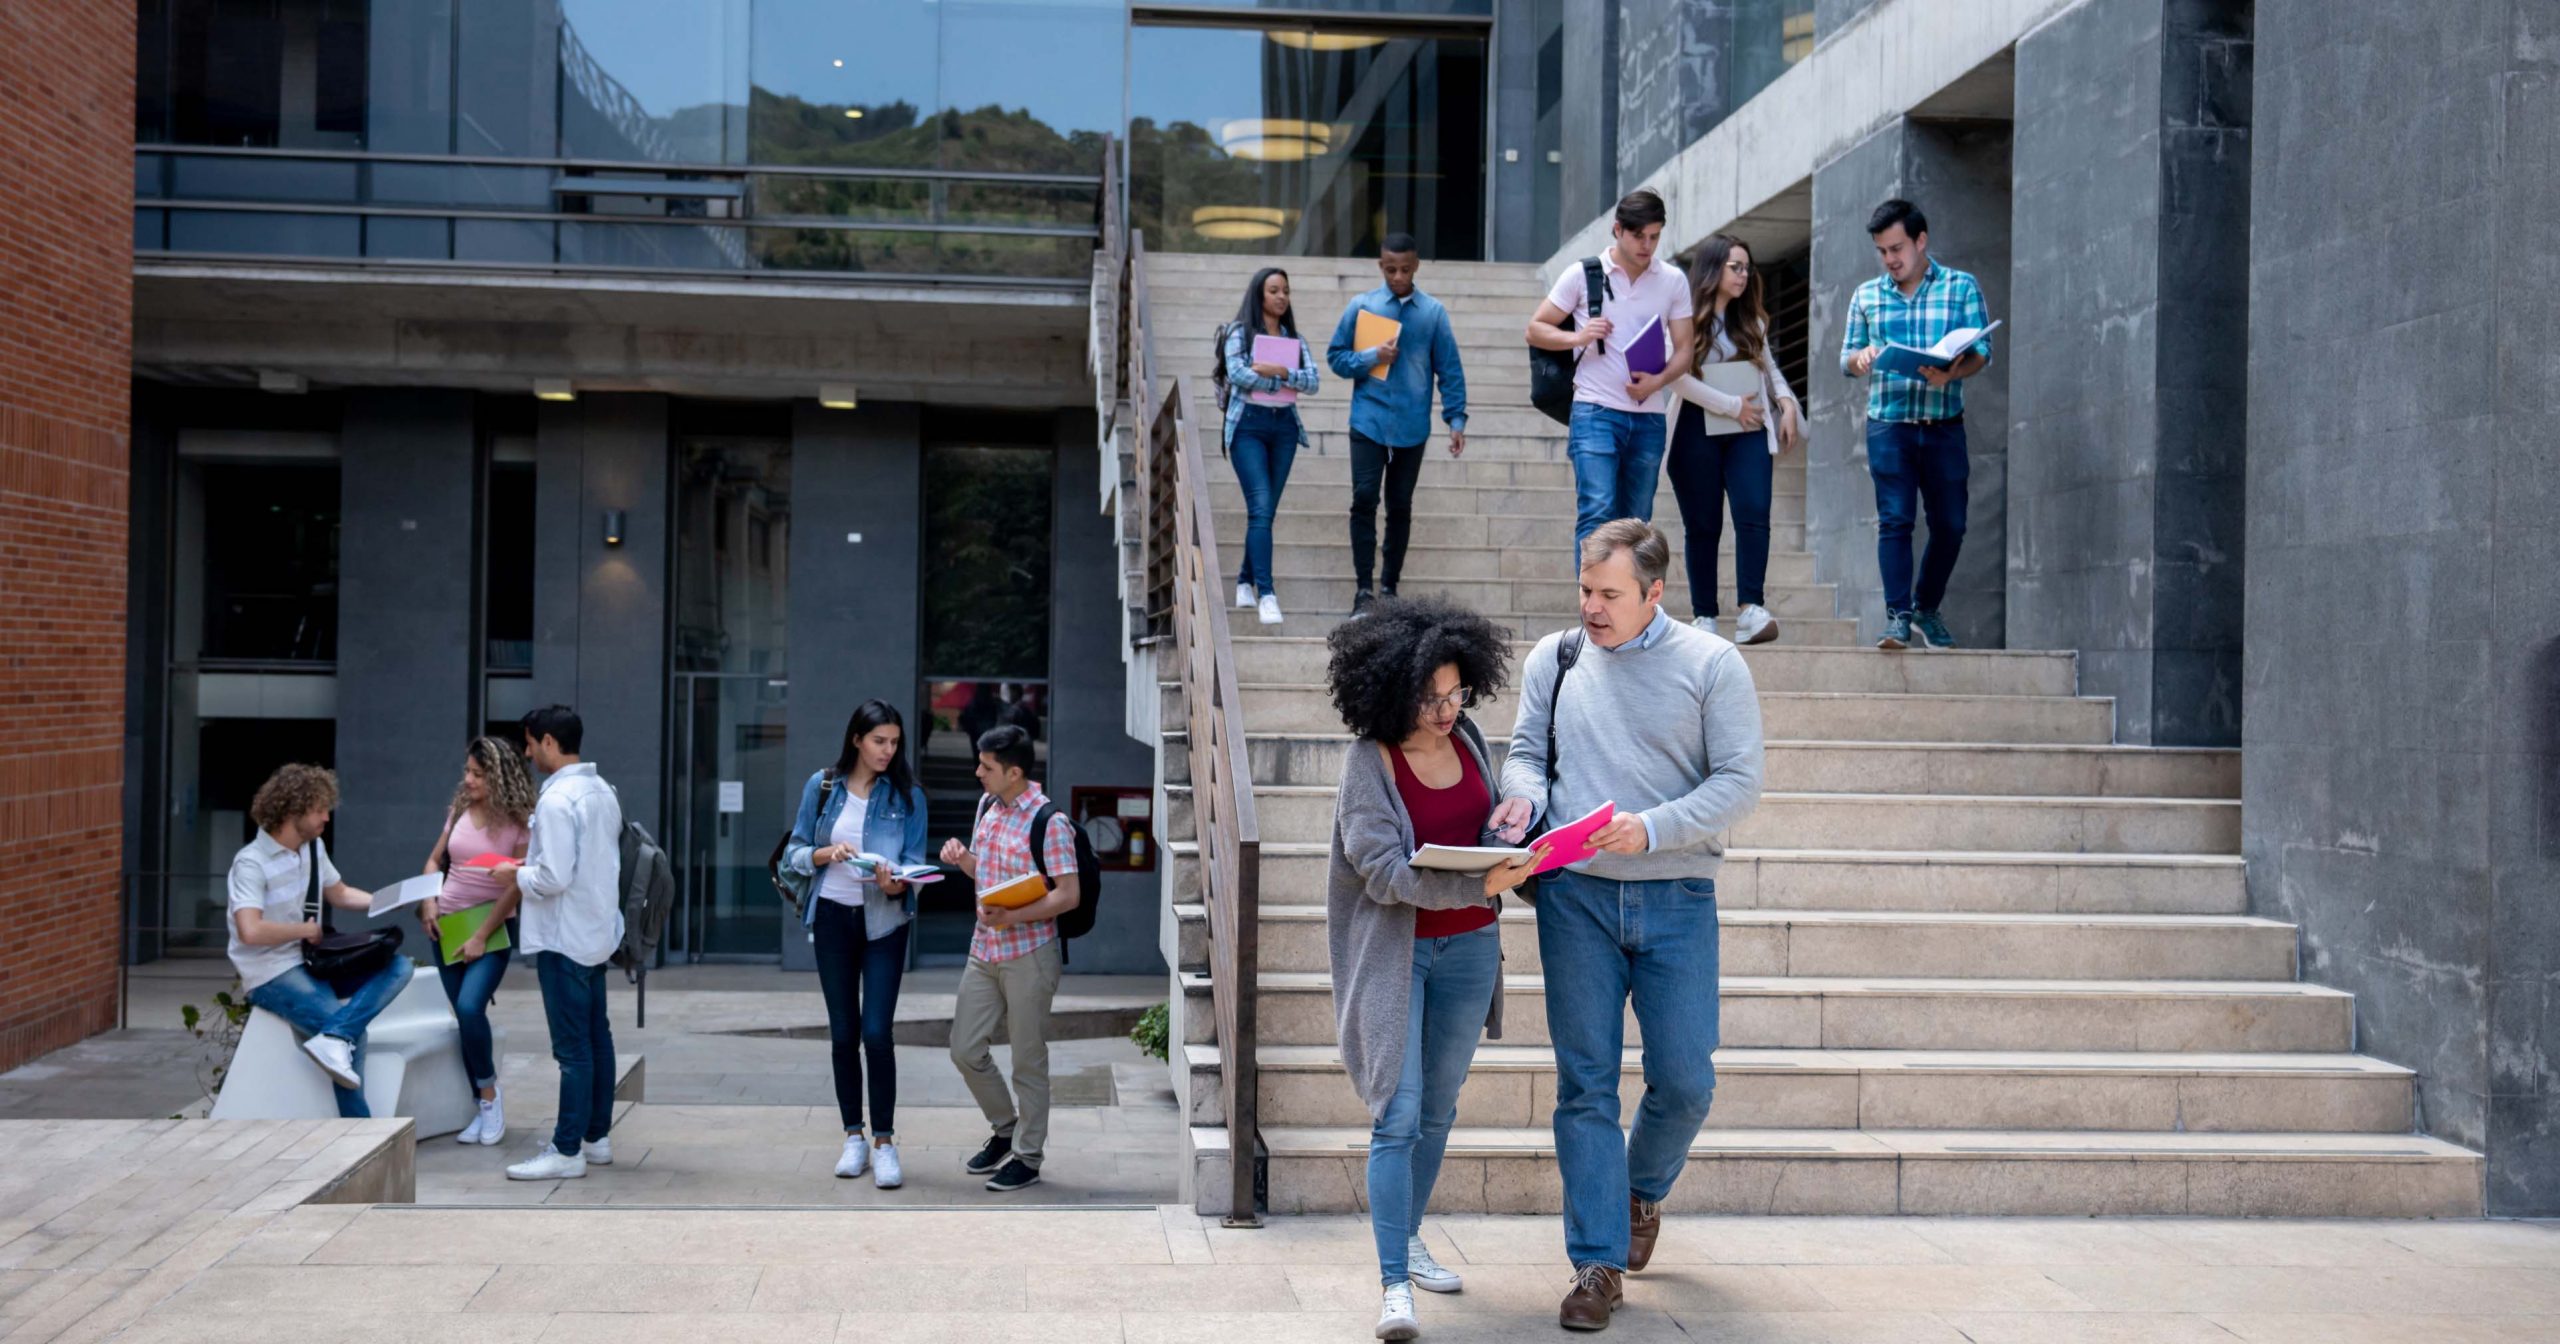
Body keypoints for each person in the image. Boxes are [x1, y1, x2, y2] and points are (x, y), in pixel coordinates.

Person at [1489, 519, 1765, 1332]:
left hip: (1677, 895)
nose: (1592, 607)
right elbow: (1525, 754)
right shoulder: (1557, 658)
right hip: (1574, 897)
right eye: (1585, 589)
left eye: (1610, 594)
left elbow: (1740, 782)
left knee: (1686, 1079)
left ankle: (1640, 1190)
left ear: (1655, 593)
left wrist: (1653, 828)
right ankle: (1597, 1264)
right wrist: (1523, 800)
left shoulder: (1712, 664)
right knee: (1585, 1086)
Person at [1323, 596, 1540, 1341]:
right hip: (1398, 956)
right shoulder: (1369, 763)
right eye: (1431, 698)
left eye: (1457, 694)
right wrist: (1480, 884)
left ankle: (1410, 1238)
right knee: (1399, 1113)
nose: (1448, 711)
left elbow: (1477, 831)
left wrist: (1511, 834)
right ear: (1392, 690)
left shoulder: (1469, 738)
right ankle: (1393, 1286)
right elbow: (1383, 872)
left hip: (1472, 949)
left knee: (1440, 1108)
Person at [783, 699, 930, 1189]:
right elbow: (794, 853)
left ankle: (884, 1143)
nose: (888, 750)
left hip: (885, 924)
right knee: (844, 1034)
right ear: (856, 740)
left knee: (877, 1034)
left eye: (894, 742)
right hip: (831, 919)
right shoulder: (822, 786)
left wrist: (897, 883)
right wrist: (826, 853)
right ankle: (853, 1137)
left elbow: (913, 864)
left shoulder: (909, 796)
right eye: (878, 741)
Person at [1838, 197, 1993, 651]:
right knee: (1895, 521)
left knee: (1951, 524)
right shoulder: (1866, 295)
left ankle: (1926, 607)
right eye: (1882, 251)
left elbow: (1982, 352)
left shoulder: (1961, 287)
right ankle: (1898, 617)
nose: (1890, 259)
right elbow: (1846, 358)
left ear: (1920, 240)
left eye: (1897, 248)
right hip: (1889, 426)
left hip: (1944, 424)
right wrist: (1861, 358)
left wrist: (1952, 373)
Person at [938, 723, 1081, 1193]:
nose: (977, 772)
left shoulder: (1049, 822)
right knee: (964, 1049)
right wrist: (962, 858)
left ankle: (1028, 1156)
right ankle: (1005, 1129)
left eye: (986, 766)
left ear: (1014, 772)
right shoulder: (987, 806)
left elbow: (1068, 895)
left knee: (1027, 1061)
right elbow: (986, 874)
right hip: (984, 949)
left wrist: (1013, 918)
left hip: (1030, 955)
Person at [226, 764, 414, 1116]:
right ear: (292, 811)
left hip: (310, 962)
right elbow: (249, 931)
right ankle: (359, 1129)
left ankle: (335, 1038)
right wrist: (304, 931)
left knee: (400, 967)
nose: (327, 817)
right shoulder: (251, 863)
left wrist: (386, 900)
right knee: (354, 1036)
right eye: (319, 809)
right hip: (269, 972)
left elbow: (339, 893)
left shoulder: (312, 849)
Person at [1527, 189, 1697, 565]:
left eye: (1654, 236)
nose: (1647, 245)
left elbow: (1685, 349)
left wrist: (1658, 382)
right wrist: (1578, 337)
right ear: (1617, 230)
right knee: (1597, 512)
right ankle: (1591, 600)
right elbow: (1535, 329)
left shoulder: (1672, 280)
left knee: (1637, 524)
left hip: (1649, 417)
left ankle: (1625, 601)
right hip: (1594, 411)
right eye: (1639, 236)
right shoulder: (1583, 274)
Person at [493, 704, 625, 1182]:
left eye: (529, 744)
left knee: (572, 1050)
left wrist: (513, 874)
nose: (527, 754)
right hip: (596, 931)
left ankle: (567, 1149)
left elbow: (553, 877)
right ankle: (596, 1137)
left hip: (563, 937)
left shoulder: (555, 800)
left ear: (548, 741)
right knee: (597, 1038)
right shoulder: (603, 791)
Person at [1667, 233, 1803, 645]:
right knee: (1702, 523)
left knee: (1754, 511)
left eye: (1747, 268)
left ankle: (1751, 609)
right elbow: (1676, 377)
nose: (1744, 275)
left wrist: (1787, 402)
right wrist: (1731, 406)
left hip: (1748, 428)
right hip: (1695, 426)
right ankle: (1704, 615)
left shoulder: (1752, 320)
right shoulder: (1682, 317)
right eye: (1735, 267)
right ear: (1713, 269)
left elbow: (1769, 368)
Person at [1326, 233, 1471, 618]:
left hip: (1411, 427)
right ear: (1381, 266)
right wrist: (1371, 356)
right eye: (1390, 269)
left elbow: (1449, 370)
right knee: (1364, 499)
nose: (1398, 277)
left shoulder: (1433, 313)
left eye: (1405, 269)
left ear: (1416, 266)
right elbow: (1336, 358)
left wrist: (1455, 419)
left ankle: (1389, 587)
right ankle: (1363, 590)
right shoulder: (1362, 306)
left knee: (1400, 506)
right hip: (1368, 422)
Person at [420, 736, 534, 1146]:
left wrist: (481, 936)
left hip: (491, 930)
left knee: (470, 1008)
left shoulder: (519, 821)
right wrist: (429, 901)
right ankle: (480, 1101)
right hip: (446, 925)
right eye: (467, 771)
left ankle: (489, 1099)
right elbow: (434, 860)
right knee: (464, 1017)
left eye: (478, 774)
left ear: (499, 777)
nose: (468, 780)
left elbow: (516, 886)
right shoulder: (458, 810)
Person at [1222, 266, 1322, 626]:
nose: (1281, 297)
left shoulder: (1295, 339)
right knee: (1261, 507)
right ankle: (1266, 593)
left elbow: (1313, 381)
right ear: (1259, 294)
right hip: (1248, 426)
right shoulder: (1239, 332)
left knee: (1264, 512)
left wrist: (1278, 372)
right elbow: (1238, 373)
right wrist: (1278, 381)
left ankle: (1244, 580)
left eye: (1286, 291)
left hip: (1284, 430)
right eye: (1274, 291)